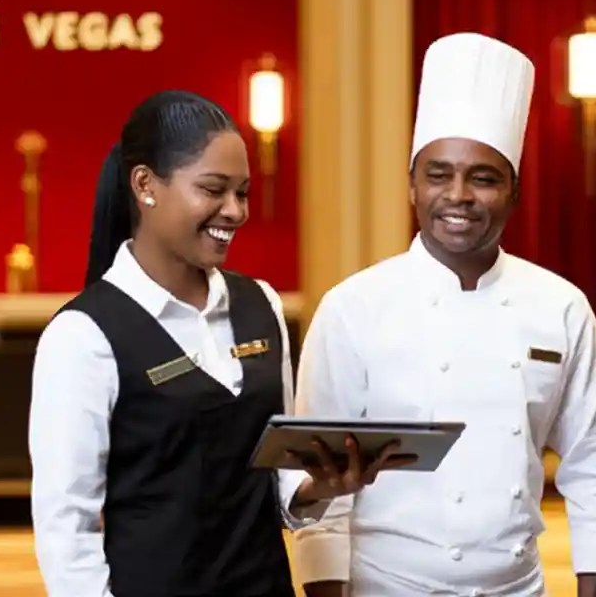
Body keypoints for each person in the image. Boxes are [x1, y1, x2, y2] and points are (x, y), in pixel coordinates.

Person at [290, 33, 596, 597]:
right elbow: (320, 481)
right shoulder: (353, 308)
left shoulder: (561, 306)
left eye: (483, 178)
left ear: (514, 191)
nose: (458, 195)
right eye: (438, 174)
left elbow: (595, 467)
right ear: (412, 185)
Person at [28, 90, 393, 597]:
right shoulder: (82, 336)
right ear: (145, 185)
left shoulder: (261, 304)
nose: (235, 211)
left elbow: (276, 477)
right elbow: (66, 530)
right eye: (213, 190)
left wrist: (322, 487)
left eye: (242, 192)